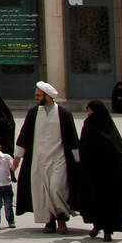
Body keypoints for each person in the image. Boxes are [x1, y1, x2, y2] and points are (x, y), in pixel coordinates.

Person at [14, 81, 80, 233]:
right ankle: (49, 221)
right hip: (39, 159)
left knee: (57, 188)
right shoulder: (33, 113)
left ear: (48, 96)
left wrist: (77, 159)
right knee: (42, 191)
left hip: (59, 159)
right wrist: (17, 158)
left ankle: (62, 218)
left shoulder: (63, 114)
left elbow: (72, 138)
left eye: (39, 95)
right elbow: (24, 135)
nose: (36, 98)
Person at [78, 100, 122, 242]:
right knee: (104, 201)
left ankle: (103, 228)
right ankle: (101, 228)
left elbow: (84, 146)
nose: (88, 113)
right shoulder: (109, 128)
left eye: (89, 110)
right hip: (104, 175)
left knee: (99, 200)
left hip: (99, 175)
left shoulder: (89, 125)